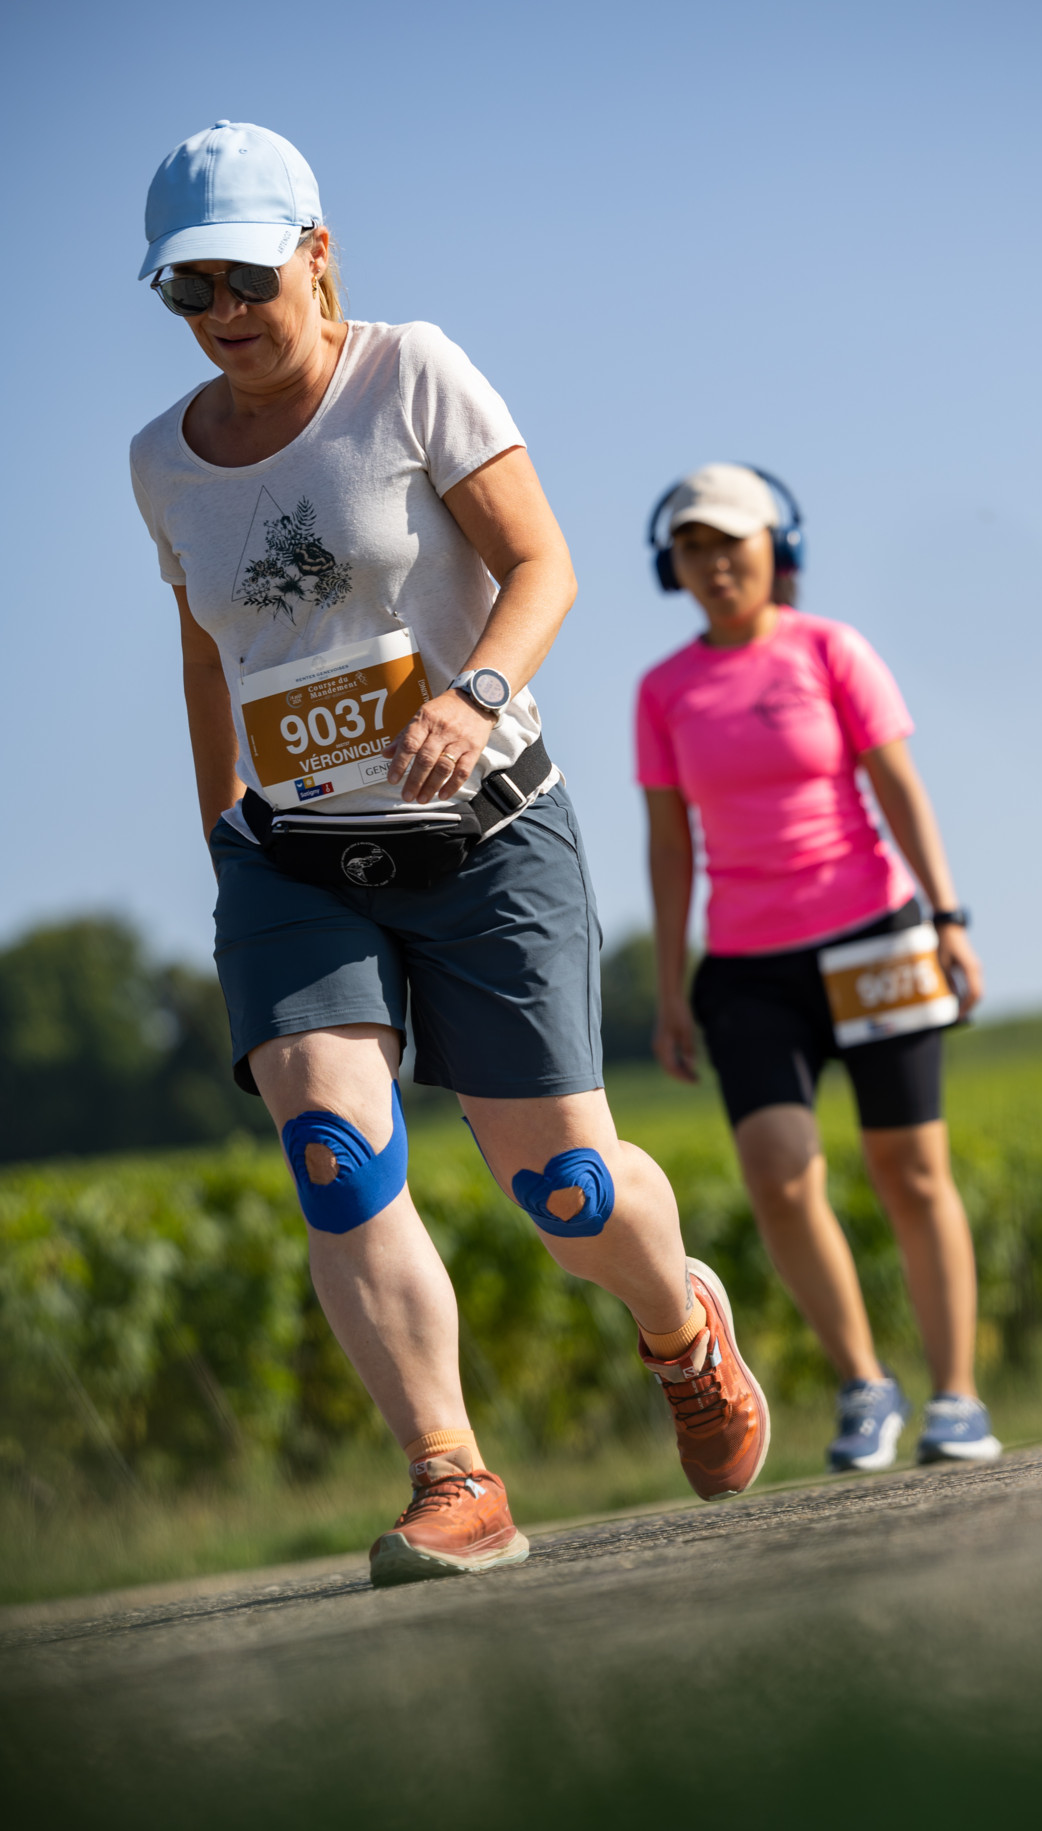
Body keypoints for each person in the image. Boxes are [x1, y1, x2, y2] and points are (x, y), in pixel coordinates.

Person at [130, 122, 768, 1587]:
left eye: (245, 276)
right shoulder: (162, 459)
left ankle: (680, 1326)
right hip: (295, 857)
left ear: (315, 254)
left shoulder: (411, 371)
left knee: (567, 1191)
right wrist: (223, 825)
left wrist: (475, 697)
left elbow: (544, 563)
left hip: (485, 836)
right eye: (186, 289)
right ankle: (452, 1475)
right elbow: (206, 650)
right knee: (332, 1146)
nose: (223, 311)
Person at [636, 463, 1001, 1470]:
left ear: (777, 549)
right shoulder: (662, 690)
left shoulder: (831, 648)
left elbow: (898, 786)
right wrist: (668, 987)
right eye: (693, 548)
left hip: (875, 937)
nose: (713, 564)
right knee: (779, 1174)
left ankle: (958, 1396)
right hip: (749, 966)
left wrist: (949, 917)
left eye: (730, 543)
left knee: (911, 1171)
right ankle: (863, 1383)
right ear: (672, 566)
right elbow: (668, 844)